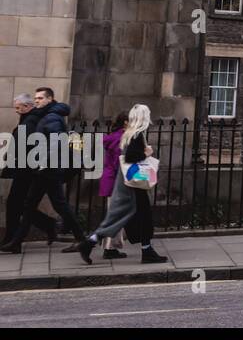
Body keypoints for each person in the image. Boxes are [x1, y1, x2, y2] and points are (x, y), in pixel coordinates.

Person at [1, 87, 87, 254]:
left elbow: (56, 143)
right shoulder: (45, 116)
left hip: (48, 169)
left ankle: (81, 239)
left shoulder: (52, 117)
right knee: (28, 205)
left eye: (40, 98)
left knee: (60, 206)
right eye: (36, 98)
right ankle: (16, 242)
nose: (37, 101)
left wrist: (42, 162)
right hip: (41, 170)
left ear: (49, 99)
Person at [77, 104, 165, 264]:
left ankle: (89, 243)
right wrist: (146, 153)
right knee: (140, 217)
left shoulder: (129, 133)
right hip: (132, 184)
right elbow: (131, 156)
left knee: (118, 217)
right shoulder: (137, 134)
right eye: (148, 114)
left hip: (125, 182)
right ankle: (147, 252)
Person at [1, 95, 57, 248]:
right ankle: (47, 225)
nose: (17, 111)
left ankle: (11, 240)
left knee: (15, 204)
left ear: (27, 106)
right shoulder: (29, 119)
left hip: (26, 171)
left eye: (18, 107)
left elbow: (29, 146)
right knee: (21, 204)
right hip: (25, 170)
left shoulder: (31, 121)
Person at [96, 112, 130, 258]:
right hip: (116, 181)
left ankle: (110, 247)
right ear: (126, 123)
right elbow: (119, 162)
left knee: (116, 215)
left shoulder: (116, 136)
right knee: (115, 216)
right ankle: (108, 248)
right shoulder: (121, 138)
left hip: (112, 180)